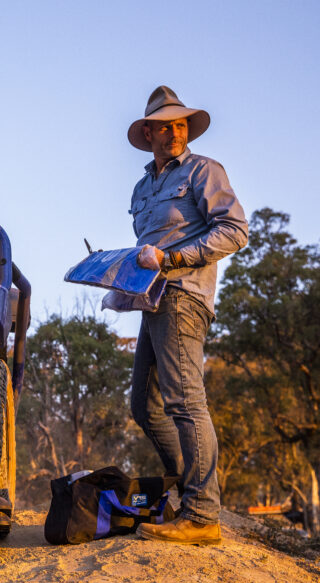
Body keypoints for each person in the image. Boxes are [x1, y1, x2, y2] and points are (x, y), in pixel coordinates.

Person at [126, 86, 248, 545]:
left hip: (182, 293)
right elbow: (148, 246)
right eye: (165, 126)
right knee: (143, 404)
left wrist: (173, 260)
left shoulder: (204, 170)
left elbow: (235, 231)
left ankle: (201, 513)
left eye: (181, 125)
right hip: (151, 299)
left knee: (184, 402)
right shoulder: (142, 187)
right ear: (150, 132)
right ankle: (188, 490)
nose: (174, 132)